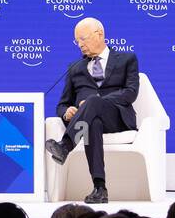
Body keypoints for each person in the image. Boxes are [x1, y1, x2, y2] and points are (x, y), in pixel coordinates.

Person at [44, 17, 140, 204]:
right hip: (87, 123)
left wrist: (93, 103)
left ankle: (65, 146)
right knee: (92, 123)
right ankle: (99, 188)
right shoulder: (74, 68)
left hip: (117, 118)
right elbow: (61, 105)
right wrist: (67, 112)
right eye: (77, 41)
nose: (80, 45)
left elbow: (130, 93)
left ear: (99, 34)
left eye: (84, 38)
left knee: (93, 103)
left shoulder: (127, 59)